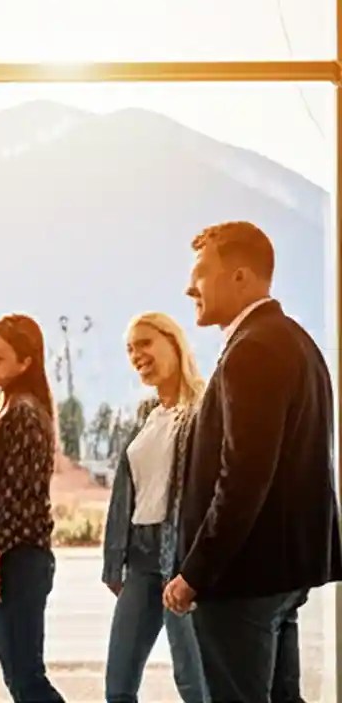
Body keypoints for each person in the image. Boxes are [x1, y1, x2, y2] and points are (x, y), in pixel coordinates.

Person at [164, 221, 342, 702]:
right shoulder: (295, 342)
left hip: (244, 577)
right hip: (280, 573)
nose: (189, 287)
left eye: (201, 273)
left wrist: (195, 571)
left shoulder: (254, 351)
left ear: (241, 277)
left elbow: (243, 477)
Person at [102, 312, 208, 703]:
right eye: (130, 348)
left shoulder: (204, 409)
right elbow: (125, 493)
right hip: (140, 558)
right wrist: (115, 558)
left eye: (144, 343)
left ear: (173, 341)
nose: (136, 355)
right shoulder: (147, 414)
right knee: (118, 685)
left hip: (179, 557)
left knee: (193, 682)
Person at [0, 313, 65, 703]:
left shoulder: (23, 413)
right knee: (20, 677)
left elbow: (15, 499)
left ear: (25, 362)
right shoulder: (6, 406)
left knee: (27, 678)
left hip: (18, 560)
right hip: (17, 559)